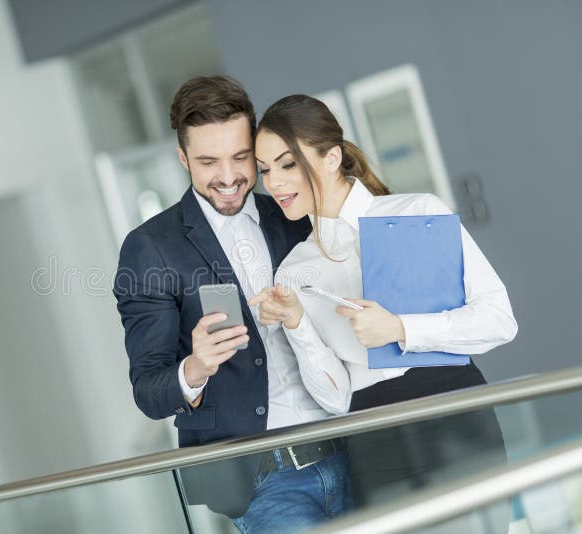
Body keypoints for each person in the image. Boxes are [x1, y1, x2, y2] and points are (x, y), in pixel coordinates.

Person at [251, 94, 517, 530]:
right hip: (372, 442)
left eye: (288, 164)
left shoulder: (418, 213)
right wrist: (297, 324)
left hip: (454, 413)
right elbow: (336, 401)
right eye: (265, 170)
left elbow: (499, 320)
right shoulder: (295, 270)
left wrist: (400, 328)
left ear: (332, 156)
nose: (274, 183)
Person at [113, 77, 353, 534]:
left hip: (350, 449)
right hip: (263, 484)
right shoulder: (150, 248)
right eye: (207, 161)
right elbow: (148, 390)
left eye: (241, 158)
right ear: (183, 158)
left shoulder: (289, 215)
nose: (227, 176)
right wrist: (195, 367)